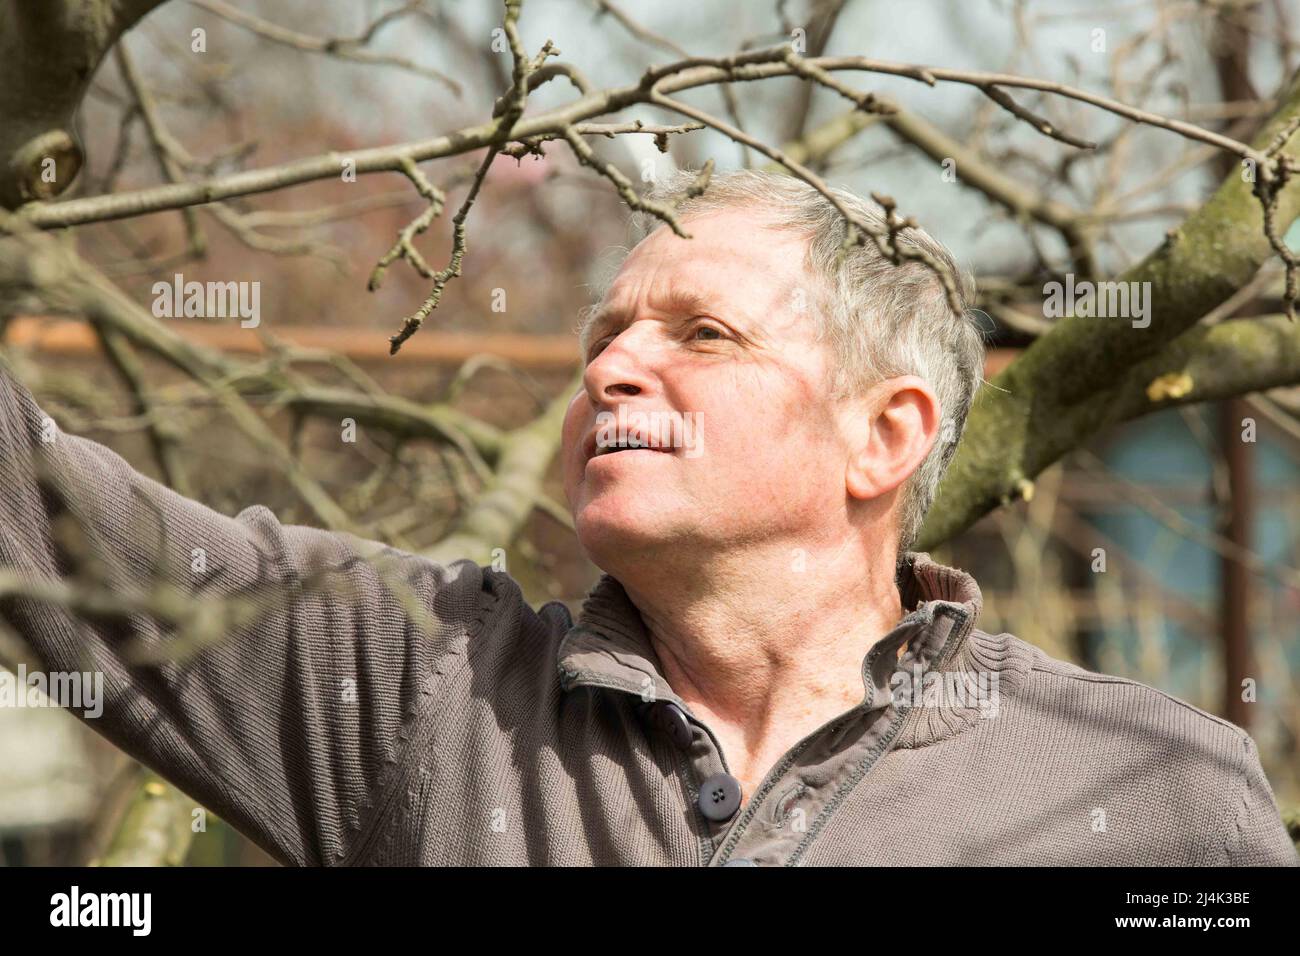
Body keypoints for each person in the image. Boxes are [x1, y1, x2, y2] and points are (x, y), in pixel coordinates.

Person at [0, 169, 1294, 866]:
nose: (613, 369)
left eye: (703, 335)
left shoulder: (1149, 787)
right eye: (604, 336)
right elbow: (39, 516)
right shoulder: (417, 684)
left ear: (882, 436)